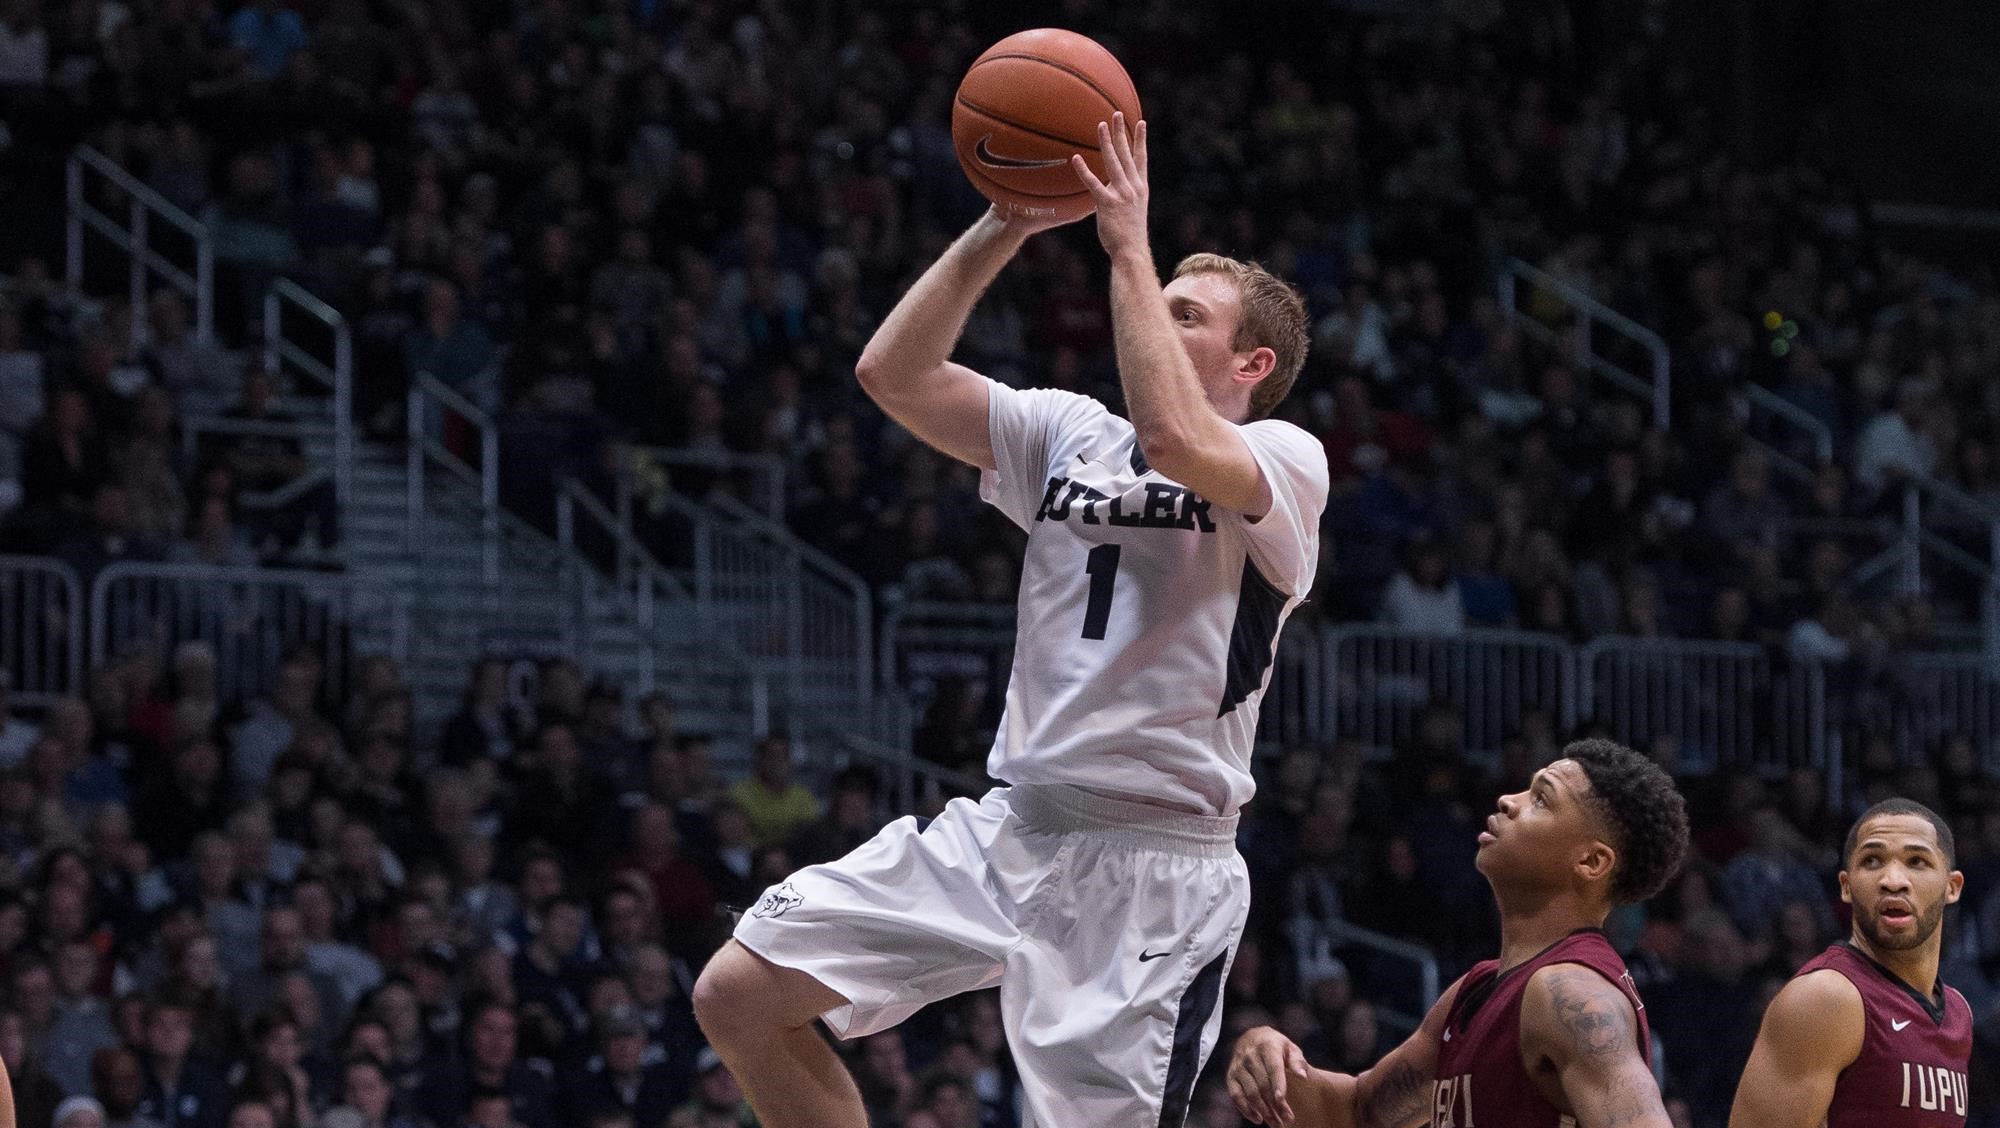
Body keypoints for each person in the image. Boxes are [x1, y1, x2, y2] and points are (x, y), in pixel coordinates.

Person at [694, 113, 1327, 1127]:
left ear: (1250, 365)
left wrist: (1127, 243)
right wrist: (1002, 223)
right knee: (737, 993)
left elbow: (1171, 434)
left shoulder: (1288, 462)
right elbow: (889, 376)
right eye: (1154, 300)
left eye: (1188, 314)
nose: (1156, 315)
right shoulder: (1070, 431)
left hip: (1152, 869)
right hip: (1013, 824)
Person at [1228, 738, 1688, 1128]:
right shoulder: (1478, 990)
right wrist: (1269, 1056)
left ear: (1591, 862)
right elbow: (1358, 1111)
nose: (1510, 800)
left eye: (1542, 799)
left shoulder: (1571, 993)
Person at [1727, 798, 1971, 1127]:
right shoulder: (1824, 998)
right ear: (1845, 886)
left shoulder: (1958, 1012)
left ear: (1951, 887)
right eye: (1872, 861)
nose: (1893, 880)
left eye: (1917, 861)